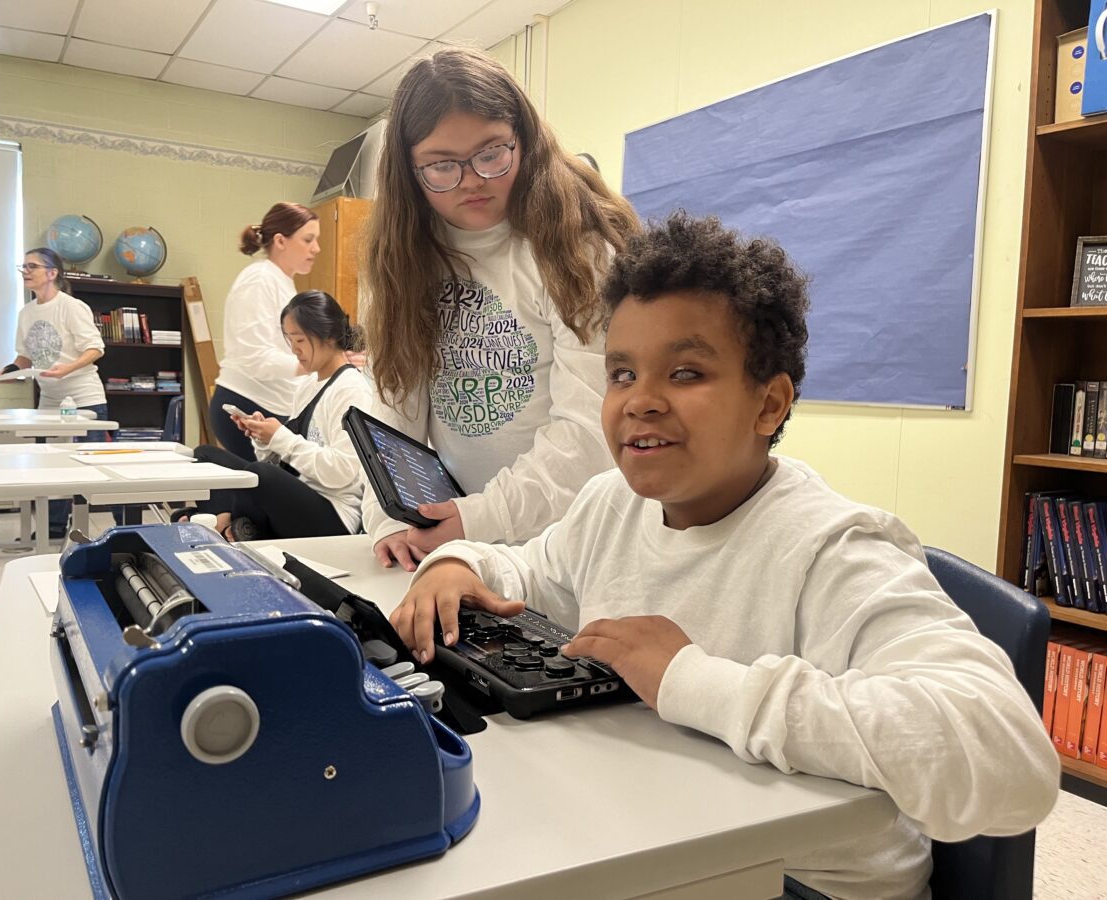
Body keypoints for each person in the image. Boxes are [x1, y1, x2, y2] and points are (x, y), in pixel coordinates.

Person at [388, 213, 1060, 899]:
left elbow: (1012, 760)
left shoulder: (837, 547)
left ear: (769, 404)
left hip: (799, 883)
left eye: (685, 372)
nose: (640, 402)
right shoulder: (610, 503)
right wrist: (461, 566)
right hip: (669, 842)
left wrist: (693, 680)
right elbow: (533, 571)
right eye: (622, 373)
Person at [360, 47, 640, 570]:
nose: (471, 180)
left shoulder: (577, 245)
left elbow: (588, 430)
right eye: (441, 165)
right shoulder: (405, 256)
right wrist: (390, 520)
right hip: (454, 536)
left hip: (570, 542)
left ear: (524, 140)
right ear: (408, 168)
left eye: (491, 154)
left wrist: (479, 517)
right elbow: (394, 414)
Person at [187, 291, 371, 541]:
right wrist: (264, 439)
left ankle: (222, 523)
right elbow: (285, 463)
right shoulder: (307, 385)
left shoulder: (351, 388)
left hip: (333, 512)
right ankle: (230, 525)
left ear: (328, 336)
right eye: (290, 341)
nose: (294, 350)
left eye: (300, 340)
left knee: (260, 476)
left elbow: (343, 473)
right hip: (299, 493)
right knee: (205, 456)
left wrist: (281, 438)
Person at [1, 248, 107, 540]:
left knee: (86, 468)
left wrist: (67, 368)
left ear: (52, 273)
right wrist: (10, 371)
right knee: (52, 466)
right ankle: (54, 526)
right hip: (49, 400)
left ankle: (89, 530)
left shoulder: (71, 307)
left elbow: (95, 348)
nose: (25, 271)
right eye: (23, 266)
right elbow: (24, 357)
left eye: (32, 266)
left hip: (84, 399)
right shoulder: (26, 313)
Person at [211, 202, 321, 461]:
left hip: (272, 406)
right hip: (249, 403)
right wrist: (316, 363)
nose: (316, 248)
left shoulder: (283, 282)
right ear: (281, 241)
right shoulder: (260, 279)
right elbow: (255, 357)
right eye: (308, 239)